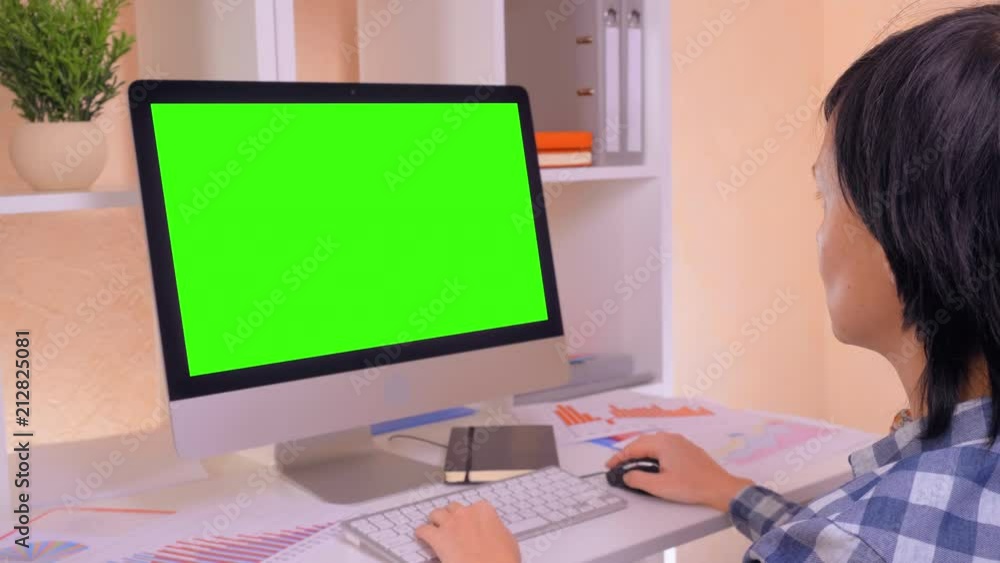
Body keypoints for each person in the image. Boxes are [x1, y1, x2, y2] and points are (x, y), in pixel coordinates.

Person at [413, 4, 1000, 562]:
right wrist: (727, 490)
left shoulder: (867, 539)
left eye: (825, 199)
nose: (819, 234)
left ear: (911, 233)